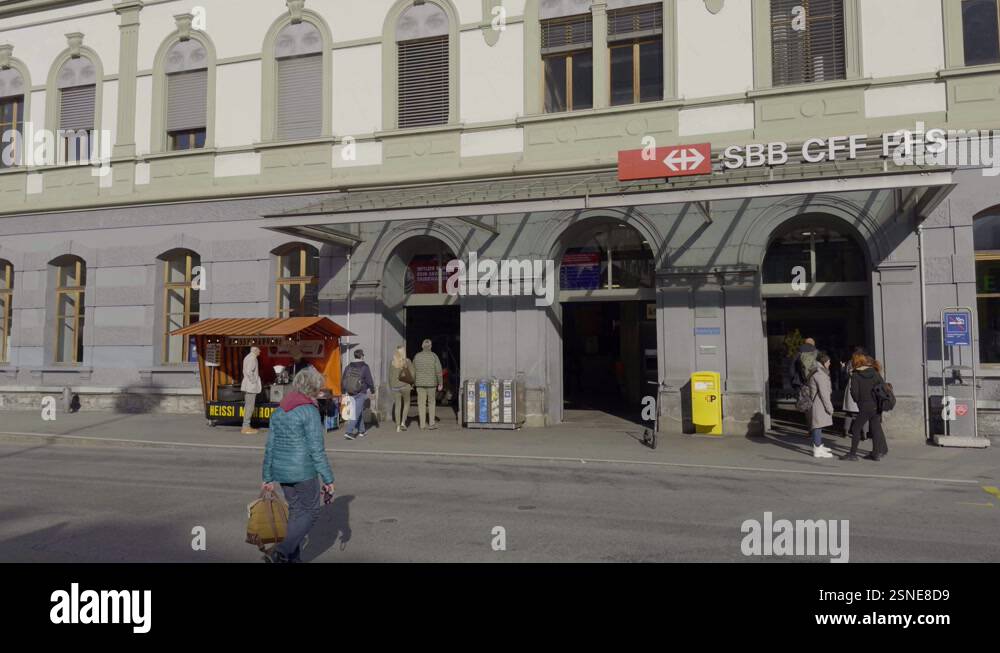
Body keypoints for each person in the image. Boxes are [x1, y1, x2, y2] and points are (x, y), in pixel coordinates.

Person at [261, 366, 335, 564]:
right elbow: (316, 450)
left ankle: (291, 559)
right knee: (311, 512)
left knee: (295, 513)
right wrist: (328, 479)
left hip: (283, 473)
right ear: (312, 388)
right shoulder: (309, 411)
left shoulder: (280, 410)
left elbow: (270, 447)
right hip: (303, 472)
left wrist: (267, 477)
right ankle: (281, 550)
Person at [841, 353, 889, 461]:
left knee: (856, 428)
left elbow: (854, 392)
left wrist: (858, 401)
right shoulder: (875, 373)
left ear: (855, 362)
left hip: (864, 405)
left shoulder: (856, 375)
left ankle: (853, 454)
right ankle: (876, 454)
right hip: (876, 405)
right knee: (875, 428)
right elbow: (883, 387)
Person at [807, 352, 835, 459]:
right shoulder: (820, 374)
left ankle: (818, 445)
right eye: (828, 362)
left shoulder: (819, 371)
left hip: (818, 402)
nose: (830, 363)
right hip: (819, 403)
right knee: (817, 426)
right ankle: (817, 449)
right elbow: (824, 393)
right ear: (823, 362)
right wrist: (830, 408)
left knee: (818, 425)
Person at [342, 349, 374, 440]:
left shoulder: (348, 366)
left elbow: (343, 379)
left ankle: (362, 430)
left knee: (358, 411)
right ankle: (348, 432)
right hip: (361, 392)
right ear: (361, 356)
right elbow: (369, 380)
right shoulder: (365, 366)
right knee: (356, 412)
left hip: (350, 392)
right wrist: (372, 390)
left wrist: (343, 392)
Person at [413, 338, 443, 430]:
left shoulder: (417, 356)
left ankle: (422, 425)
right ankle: (431, 423)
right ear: (430, 346)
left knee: (421, 403)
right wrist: (440, 383)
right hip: (431, 384)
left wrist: (413, 383)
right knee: (431, 402)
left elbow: (413, 371)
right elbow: (438, 371)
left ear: (422, 346)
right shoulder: (434, 356)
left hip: (419, 384)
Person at [388, 344, 415, 432]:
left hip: (395, 387)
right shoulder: (407, 361)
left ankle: (397, 426)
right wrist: (412, 384)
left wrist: (391, 386)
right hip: (405, 386)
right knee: (407, 403)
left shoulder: (392, 362)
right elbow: (413, 374)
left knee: (398, 405)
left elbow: (390, 376)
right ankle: (403, 423)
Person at [241, 346, 262, 435]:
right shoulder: (253, 358)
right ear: (255, 350)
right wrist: (254, 381)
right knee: (250, 407)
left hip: (248, 385)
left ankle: (246, 426)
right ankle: (246, 427)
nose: (260, 352)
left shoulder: (247, 357)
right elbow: (249, 371)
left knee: (248, 406)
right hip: (250, 386)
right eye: (259, 350)